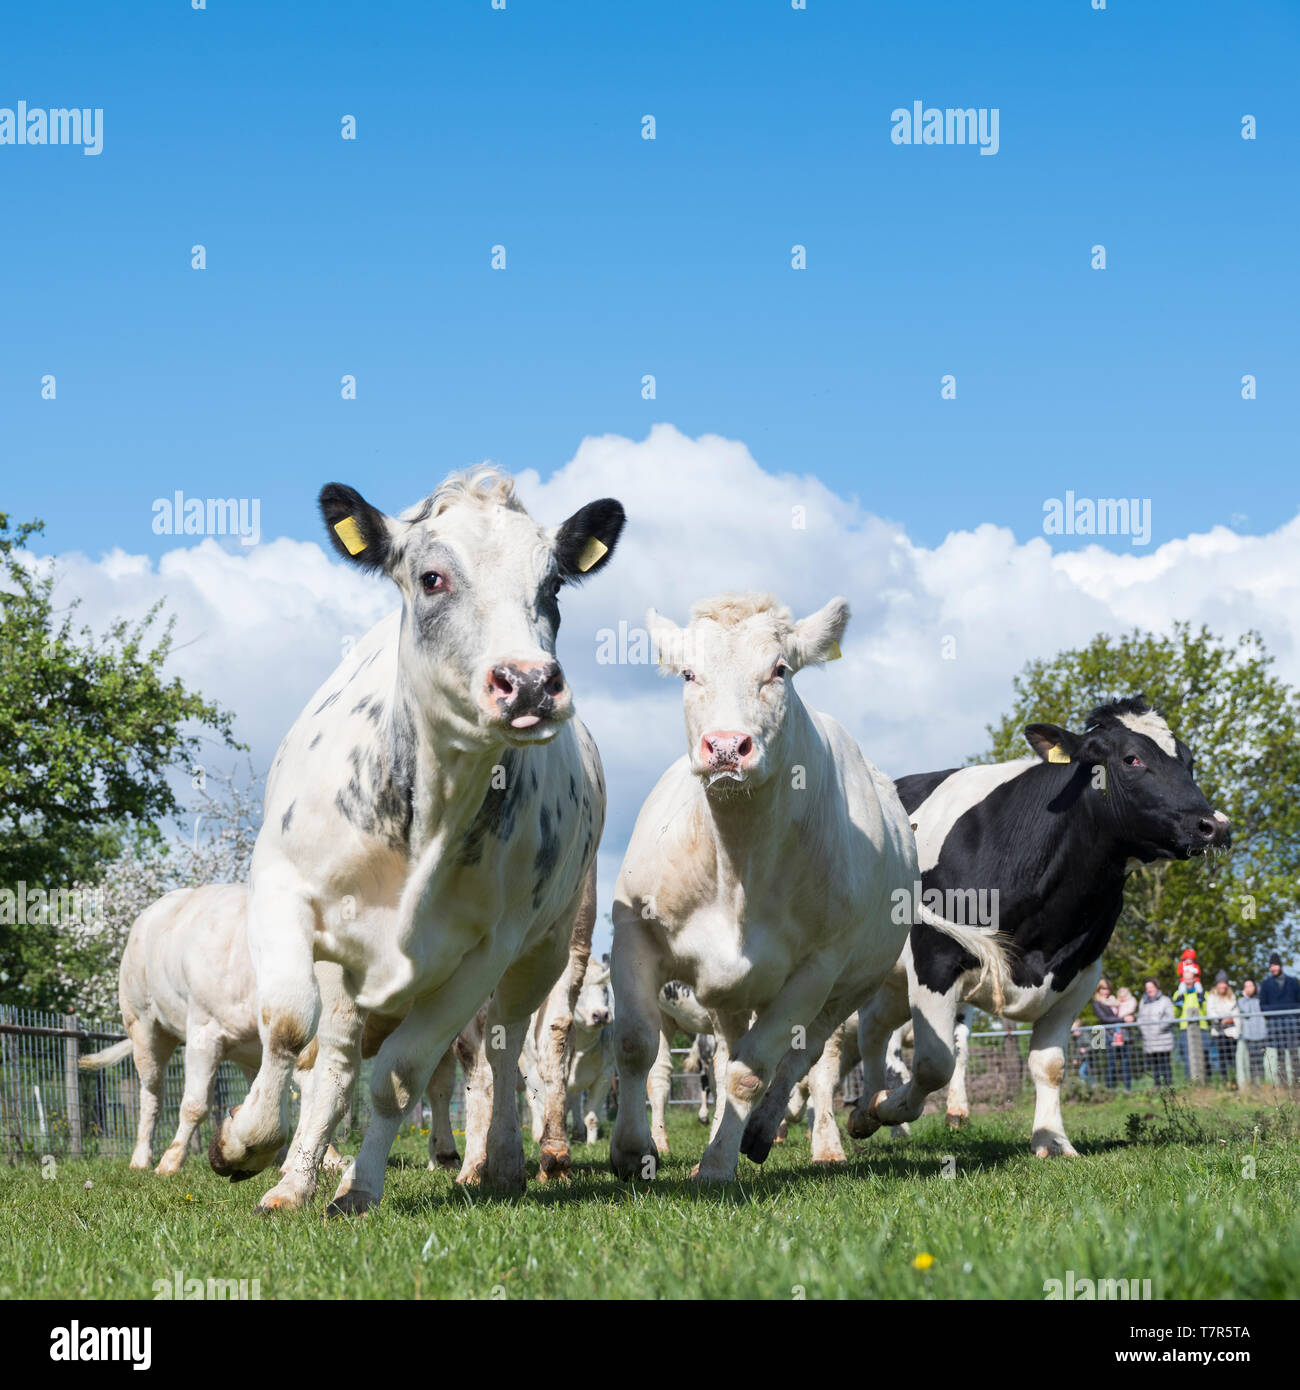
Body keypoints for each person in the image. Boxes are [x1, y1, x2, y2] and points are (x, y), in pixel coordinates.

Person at [1259, 952, 1300, 1085]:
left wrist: (1286, 1011)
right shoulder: (1266, 984)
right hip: (1275, 1025)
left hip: (1292, 1024)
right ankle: (1282, 1084)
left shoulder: (1293, 981)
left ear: (1280, 965)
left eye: (1275, 965)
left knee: (1294, 1054)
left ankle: (1296, 1082)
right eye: (1271, 966)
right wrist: (1284, 1010)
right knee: (1280, 1055)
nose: (1273, 968)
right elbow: (1263, 1006)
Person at [1172, 960, 1211, 1081]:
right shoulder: (1178, 994)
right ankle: (1191, 1082)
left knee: (1204, 1055)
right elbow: (1175, 1015)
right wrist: (1177, 1004)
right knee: (1187, 1057)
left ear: (1194, 979)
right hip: (1185, 1029)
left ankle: (1206, 1081)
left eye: (1190, 979)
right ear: (1183, 980)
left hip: (1201, 1027)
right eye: (1185, 979)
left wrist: (1202, 1000)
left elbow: (1207, 1012)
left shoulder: (1203, 993)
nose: (1188, 982)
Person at [1092, 977, 1131, 1091]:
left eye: (1108, 989)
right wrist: (1123, 1020)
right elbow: (1104, 1019)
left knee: (1125, 1061)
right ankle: (1110, 1088)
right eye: (1103, 989)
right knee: (1111, 1062)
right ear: (1099, 990)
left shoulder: (1115, 1001)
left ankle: (1127, 1088)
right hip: (1108, 1035)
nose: (1106, 992)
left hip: (1122, 1034)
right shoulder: (1097, 1003)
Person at [1138, 978, 1175, 1089]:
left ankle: (1168, 1084)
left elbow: (1170, 1017)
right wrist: (1144, 1031)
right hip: (1149, 1039)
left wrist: (1158, 1028)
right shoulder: (1143, 1001)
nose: (1149, 990)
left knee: (1164, 1062)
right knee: (1154, 1064)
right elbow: (1139, 1018)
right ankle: (1157, 1084)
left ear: (1156, 987)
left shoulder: (1165, 1000)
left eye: (1151, 987)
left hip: (1163, 1038)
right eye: (1147, 988)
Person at [1205, 970, 1238, 1084]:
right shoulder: (1212, 996)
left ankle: (1235, 1079)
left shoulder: (1231, 996)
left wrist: (1228, 1019)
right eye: (1220, 983)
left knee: (1233, 1057)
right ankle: (1225, 1080)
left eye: (1224, 983)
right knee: (1222, 1058)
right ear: (1217, 984)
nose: (1223, 985)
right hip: (1219, 1032)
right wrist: (1220, 1020)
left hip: (1231, 1032)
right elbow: (1210, 1012)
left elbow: (1235, 1013)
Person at [1238, 977, 1267, 1084]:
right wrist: (1245, 997)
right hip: (1249, 1036)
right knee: (1252, 1060)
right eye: (1246, 986)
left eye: (1251, 986)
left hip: (1261, 1034)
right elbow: (1247, 1010)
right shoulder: (1241, 1000)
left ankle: (1263, 1082)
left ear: (1255, 987)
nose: (1249, 988)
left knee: (1261, 1060)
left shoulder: (1260, 999)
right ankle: (1254, 1083)